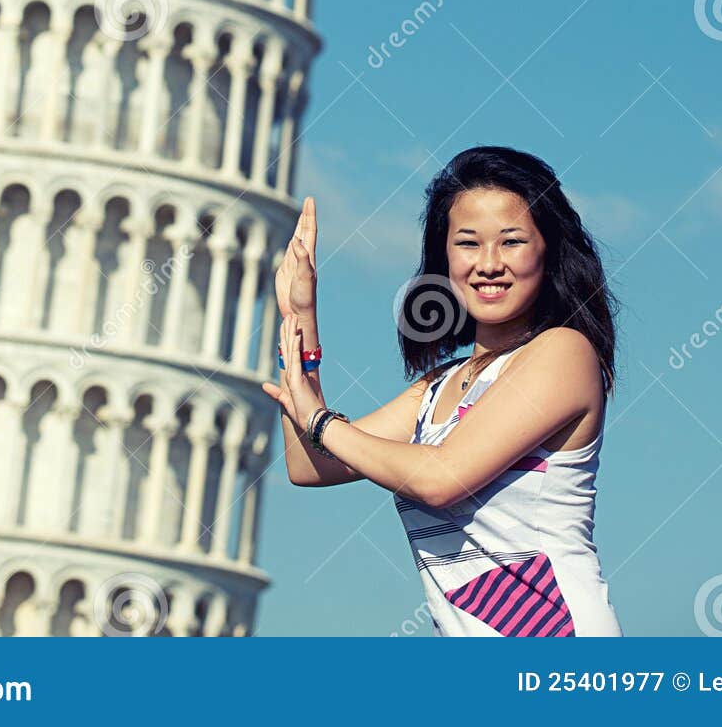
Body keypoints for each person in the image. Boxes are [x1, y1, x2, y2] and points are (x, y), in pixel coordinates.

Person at [263, 145, 623, 637]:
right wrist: (298, 317)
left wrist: (320, 419)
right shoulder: (437, 388)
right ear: (444, 256)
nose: (489, 264)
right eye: (469, 243)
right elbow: (310, 464)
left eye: (512, 241)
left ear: (548, 250)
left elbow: (441, 478)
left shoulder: (564, 353)